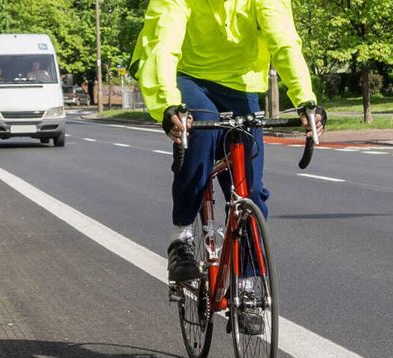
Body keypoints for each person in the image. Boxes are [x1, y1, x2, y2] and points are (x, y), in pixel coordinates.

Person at [131, 0, 323, 282]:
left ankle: (248, 285)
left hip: (241, 82)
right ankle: (181, 238)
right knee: (200, 131)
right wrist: (169, 105)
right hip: (189, 75)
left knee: (252, 193)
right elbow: (164, 41)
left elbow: (284, 40)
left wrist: (306, 101)